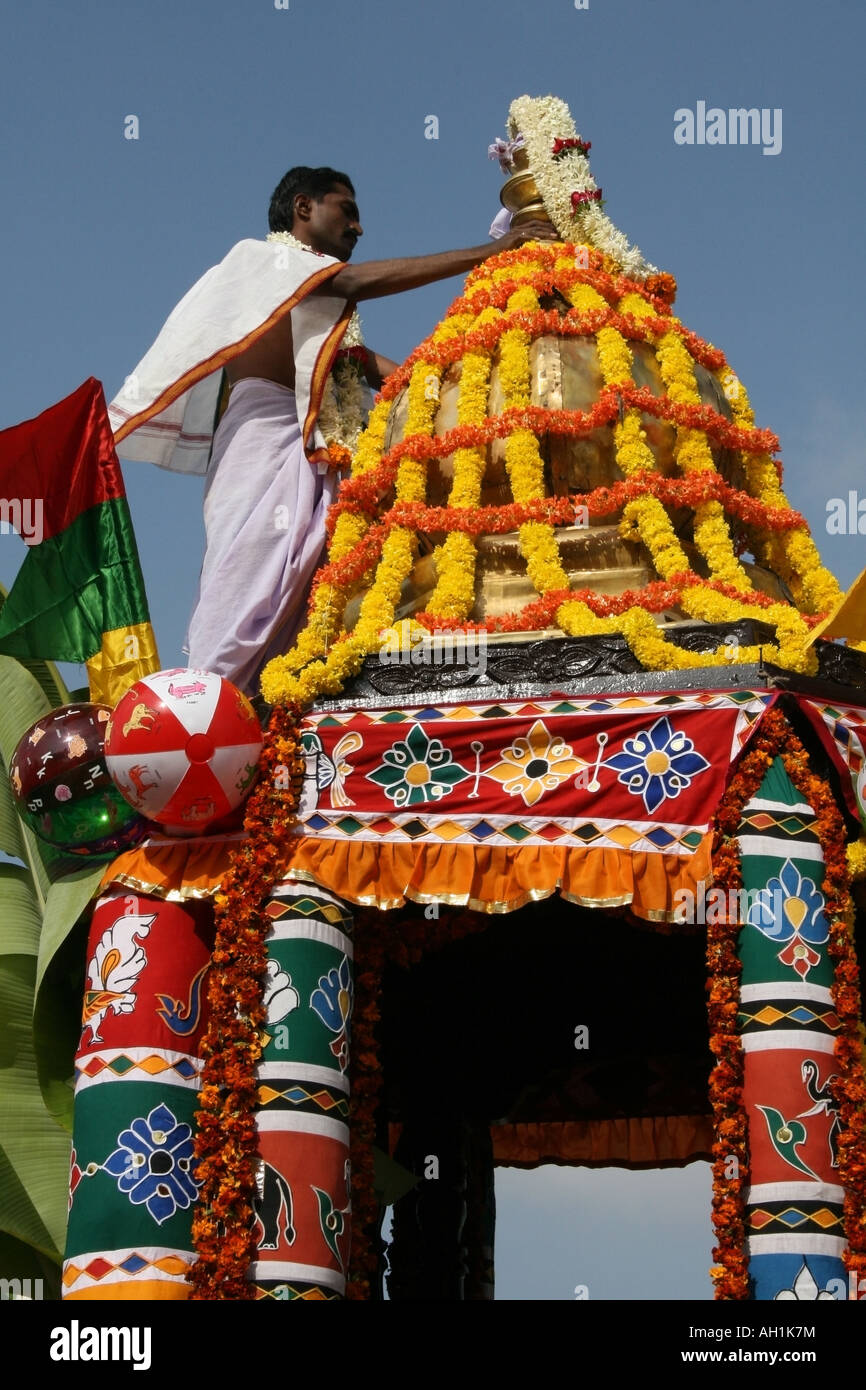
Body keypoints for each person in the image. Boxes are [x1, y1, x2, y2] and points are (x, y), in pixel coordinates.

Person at [108, 167, 555, 694]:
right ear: (303, 208)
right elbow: (353, 282)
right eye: (348, 210)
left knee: (317, 586)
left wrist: (494, 365)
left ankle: (273, 716)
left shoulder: (322, 312)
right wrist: (491, 252)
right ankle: (206, 703)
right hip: (265, 441)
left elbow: (395, 376)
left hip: (318, 453)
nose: (359, 228)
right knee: (250, 575)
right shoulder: (264, 261)